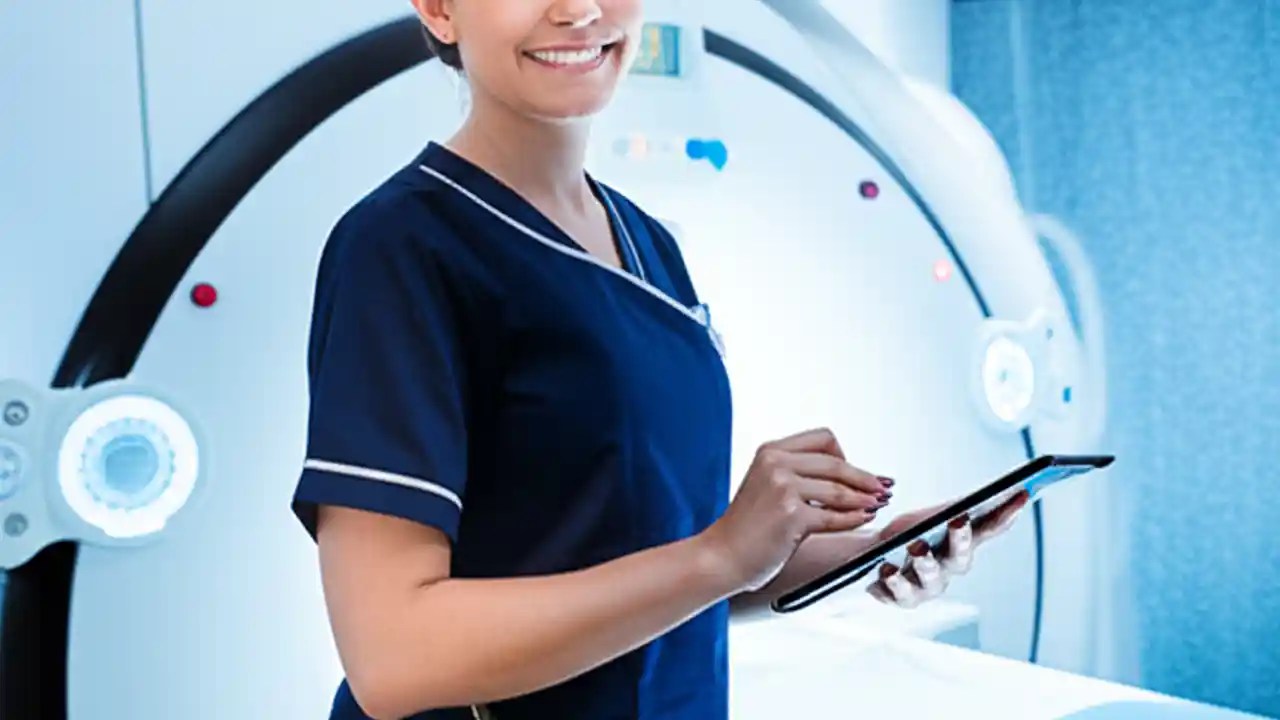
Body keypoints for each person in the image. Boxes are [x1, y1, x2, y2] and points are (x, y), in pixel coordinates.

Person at [290, 1, 1029, 718]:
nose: (579, 10)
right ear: (440, 9)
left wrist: (867, 549)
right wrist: (721, 553)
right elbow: (393, 659)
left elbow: (664, 569)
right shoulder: (400, 249)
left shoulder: (647, 244)